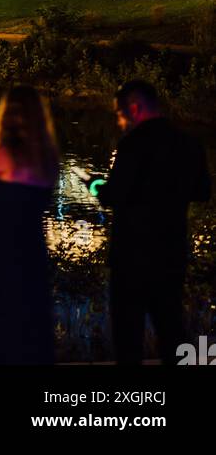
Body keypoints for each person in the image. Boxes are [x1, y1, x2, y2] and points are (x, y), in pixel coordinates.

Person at [90, 79, 211, 366]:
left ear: (134, 107)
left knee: (127, 333)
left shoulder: (133, 144)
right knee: (171, 326)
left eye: (120, 114)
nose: (120, 121)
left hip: (131, 255)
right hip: (170, 252)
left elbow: (114, 195)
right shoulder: (189, 143)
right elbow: (203, 192)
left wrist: (96, 185)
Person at [0, 84, 60, 364]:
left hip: (2, 251)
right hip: (33, 252)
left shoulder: (4, 156)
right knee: (31, 321)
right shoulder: (49, 160)